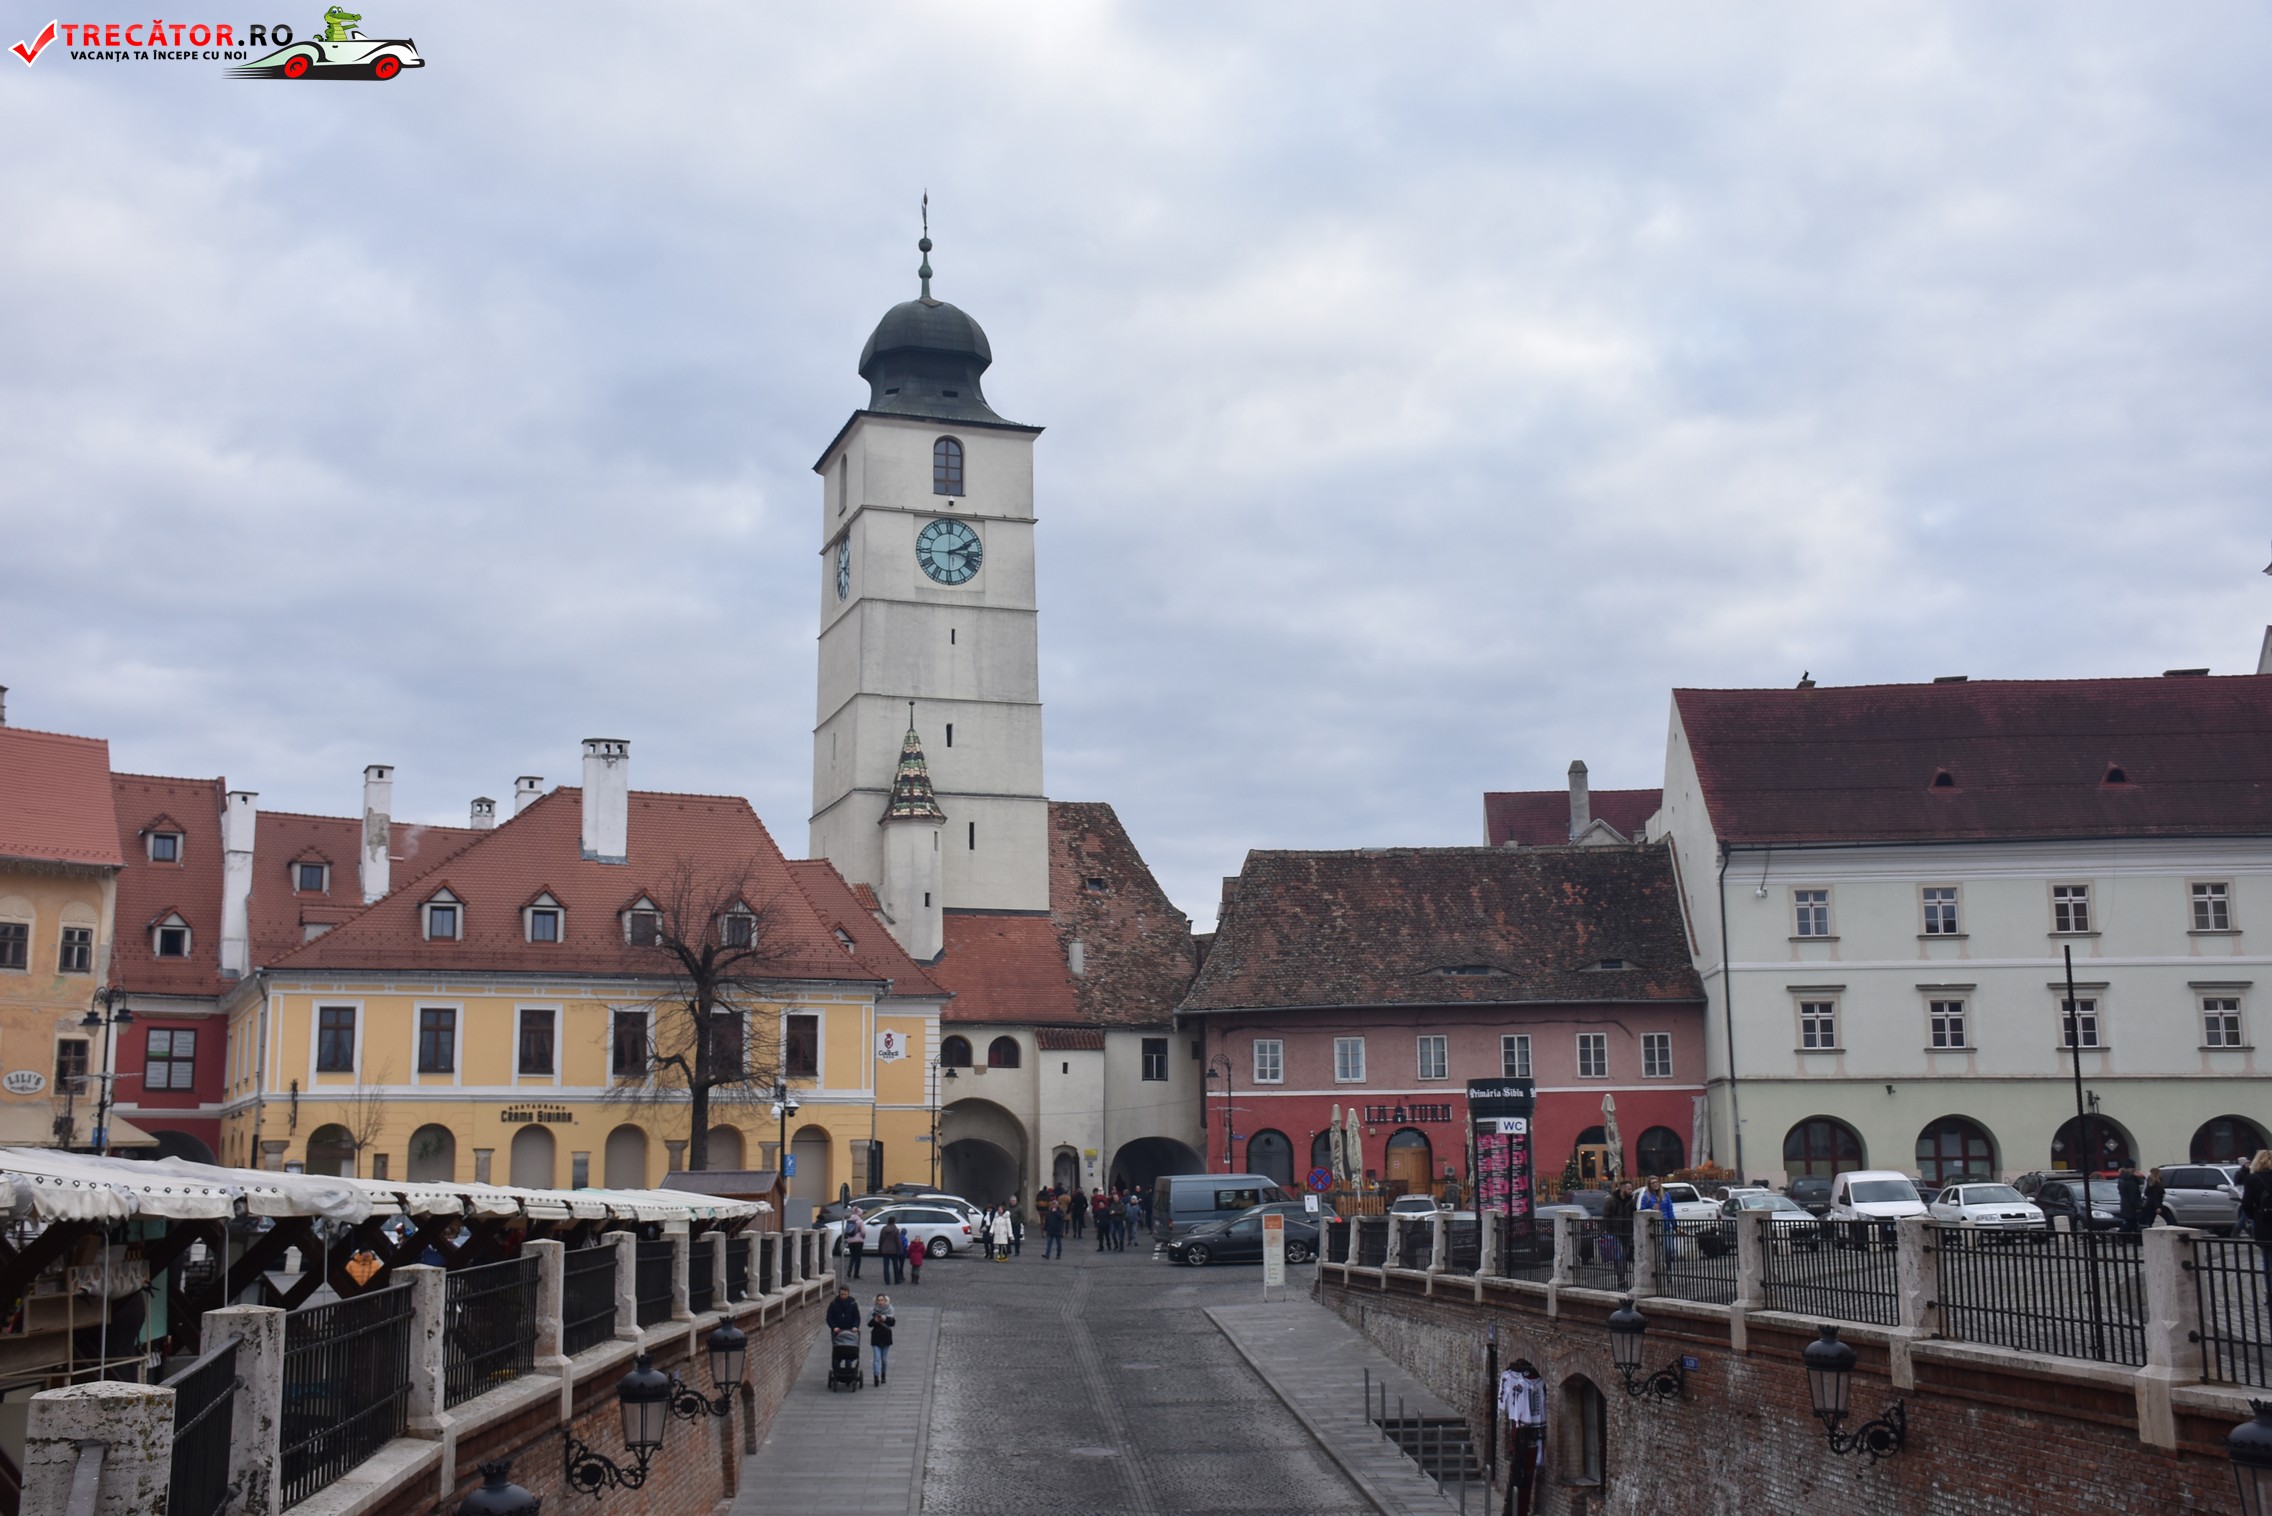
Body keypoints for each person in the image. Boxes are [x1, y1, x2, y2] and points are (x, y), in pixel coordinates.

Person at [1498, 1356, 1546, 1516]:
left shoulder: (1539, 1382)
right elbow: (1505, 1399)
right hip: (1523, 1426)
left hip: (1530, 1426)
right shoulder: (1515, 1380)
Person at [2243, 1151, 2272, 1291]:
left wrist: (2253, 1216)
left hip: (2264, 1223)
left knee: (2267, 1260)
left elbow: (2246, 1204)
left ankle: (2270, 1292)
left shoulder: (2252, 1179)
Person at [1600, 1182, 1635, 1287]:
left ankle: (1621, 1276)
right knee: (1619, 1256)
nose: (1630, 1191)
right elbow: (1605, 1216)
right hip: (1614, 1232)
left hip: (1627, 1232)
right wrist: (1605, 1230)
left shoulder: (1631, 1201)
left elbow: (1635, 1214)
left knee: (1624, 1254)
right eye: (1628, 1189)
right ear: (1622, 1189)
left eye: (1631, 1188)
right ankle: (1621, 1278)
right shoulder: (1611, 1200)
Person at [868, 1294, 896, 1386]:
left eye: (882, 1300)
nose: (880, 1302)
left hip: (886, 1337)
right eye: (878, 1300)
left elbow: (892, 1323)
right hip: (876, 1337)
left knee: (884, 1359)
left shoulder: (890, 1310)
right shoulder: (873, 1311)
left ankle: (883, 1375)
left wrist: (885, 1318)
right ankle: (876, 1376)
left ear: (885, 1301)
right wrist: (874, 1320)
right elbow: (869, 1324)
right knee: (876, 1358)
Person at [2117, 1162, 2144, 1232]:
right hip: (2131, 1207)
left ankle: (2128, 1237)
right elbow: (2133, 1196)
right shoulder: (2131, 1183)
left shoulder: (2122, 1180)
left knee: (2131, 1223)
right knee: (2131, 1223)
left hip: (2125, 1205)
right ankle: (2121, 1235)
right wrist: (2139, 1206)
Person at [877, 1219, 905, 1286]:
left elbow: (881, 1239)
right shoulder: (896, 1229)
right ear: (894, 1221)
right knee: (895, 1266)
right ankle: (897, 1280)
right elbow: (898, 1240)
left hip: (885, 1249)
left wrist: (880, 1248)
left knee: (886, 1266)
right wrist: (900, 1249)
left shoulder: (884, 1229)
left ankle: (887, 1281)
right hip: (894, 1250)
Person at [843, 1206, 867, 1281]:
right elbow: (863, 1232)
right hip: (859, 1241)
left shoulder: (849, 1220)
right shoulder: (860, 1221)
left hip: (851, 1241)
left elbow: (846, 1231)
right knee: (858, 1258)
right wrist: (863, 1236)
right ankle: (856, 1274)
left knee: (852, 1257)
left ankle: (849, 1271)